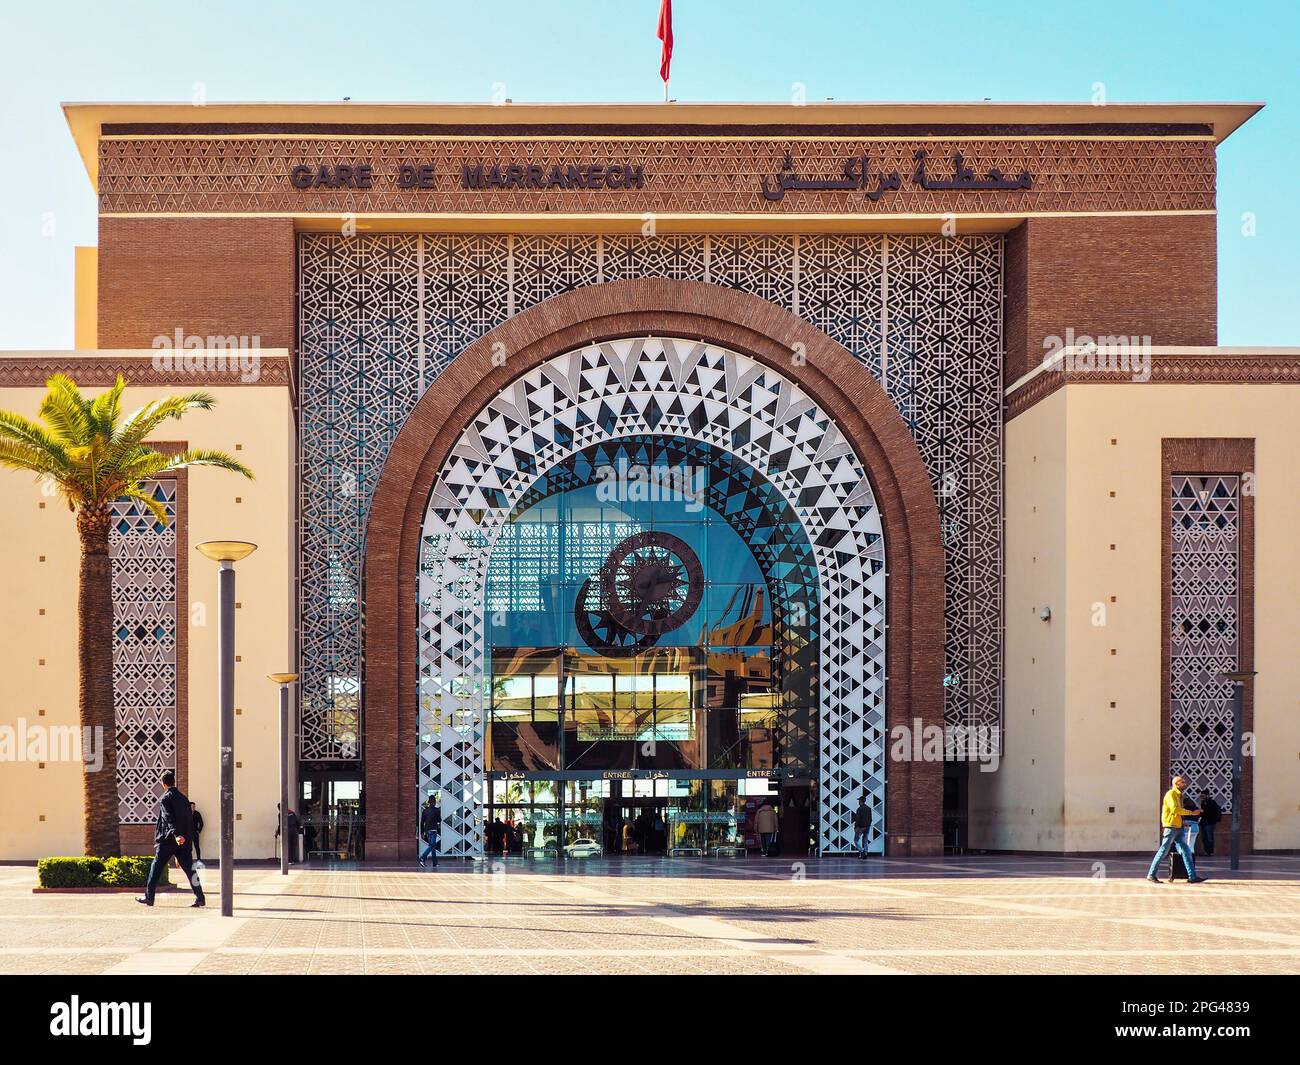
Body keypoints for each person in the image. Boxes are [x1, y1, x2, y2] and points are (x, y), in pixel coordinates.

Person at [136, 770, 205, 908]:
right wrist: (187, 840)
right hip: (183, 842)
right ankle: (200, 898)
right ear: (174, 781)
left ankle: (149, 897)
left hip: (168, 841)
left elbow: (168, 818)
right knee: (191, 871)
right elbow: (189, 821)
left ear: (163, 783)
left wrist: (176, 835)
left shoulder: (166, 798)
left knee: (155, 869)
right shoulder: (184, 798)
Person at [1146, 774, 1206, 884]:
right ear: (1176, 784)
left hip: (1178, 827)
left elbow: (1177, 812)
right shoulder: (1171, 794)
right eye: (1182, 782)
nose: (1185, 784)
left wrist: (1182, 822)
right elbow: (1175, 810)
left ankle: (1192, 876)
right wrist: (1191, 813)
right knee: (1163, 851)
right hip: (1171, 827)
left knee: (1186, 851)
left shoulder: (1178, 796)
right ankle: (1151, 874)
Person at [1198, 789, 1223, 855]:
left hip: (1209, 823)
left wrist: (1203, 811)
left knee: (1209, 837)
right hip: (1203, 822)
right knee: (1204, 838)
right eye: (1201, 796)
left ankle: (1210, 851)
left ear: (1207, 795)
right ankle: (1206, 851)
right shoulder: (1203, 803)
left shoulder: (1211, 802)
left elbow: (1211, 812)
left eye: (1203, 796)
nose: (1202, 797)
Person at [418, 795, 439, 868]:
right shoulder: (436, 810)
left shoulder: (425, 811)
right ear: (434, 802)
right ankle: (422, 858)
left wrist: (421, 832)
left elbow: (422, 822)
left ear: (429, 802)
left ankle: (435, 862)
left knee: (432, 845)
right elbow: (439, 820)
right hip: (433, 830)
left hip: (427, 830)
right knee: (432, 845)